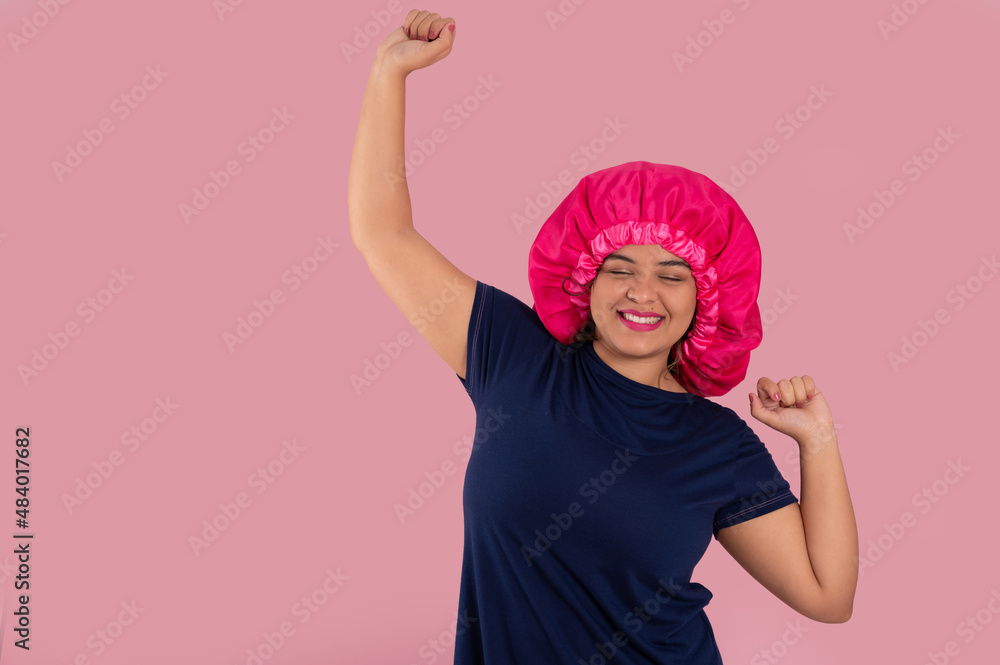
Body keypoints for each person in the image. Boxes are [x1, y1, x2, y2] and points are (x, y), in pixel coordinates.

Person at [348, 10, 858, 664]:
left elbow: (827, 595)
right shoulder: (515, 356)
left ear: (706, 298)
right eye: (619, 267)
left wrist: (818, 440)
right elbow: (382, 233)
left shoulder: (718, 442)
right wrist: (390, 74)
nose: (642, 291)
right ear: (582, 280)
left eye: (672, 274)